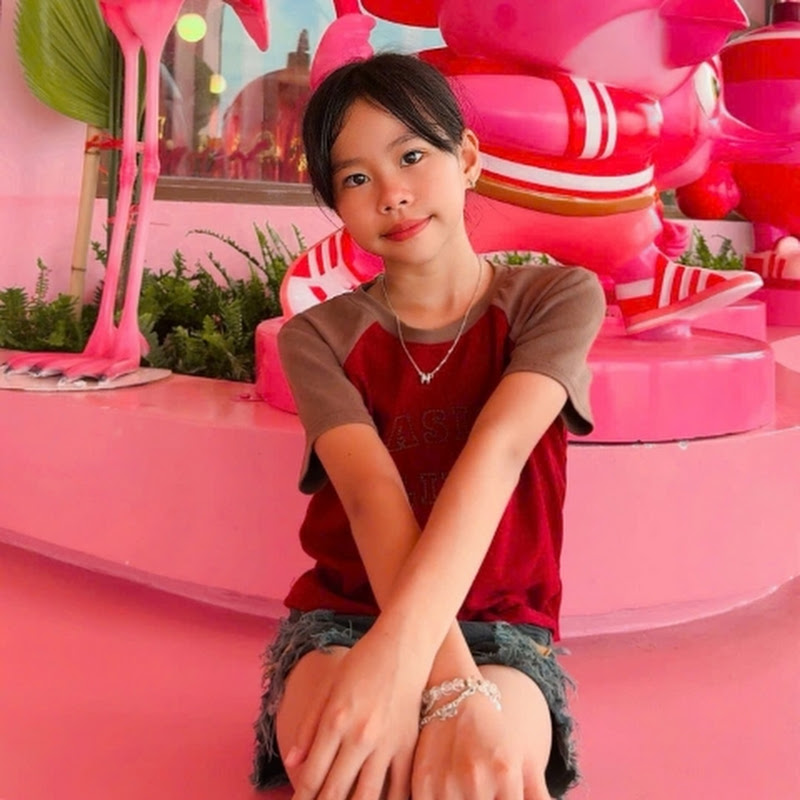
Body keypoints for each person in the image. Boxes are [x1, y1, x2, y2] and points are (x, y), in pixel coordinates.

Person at [252, 52, 605, 800]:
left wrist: (442, 685)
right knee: (359, 773)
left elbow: (499, 452)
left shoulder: (556, 298)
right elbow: (370, 496)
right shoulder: (315, 338)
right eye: (356, 178)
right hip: (347, 624)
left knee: (478, 777)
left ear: (467, 158)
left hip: (503, 634)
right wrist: (405, 669)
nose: (393, 195)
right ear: (336, 205)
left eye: (411, 156)